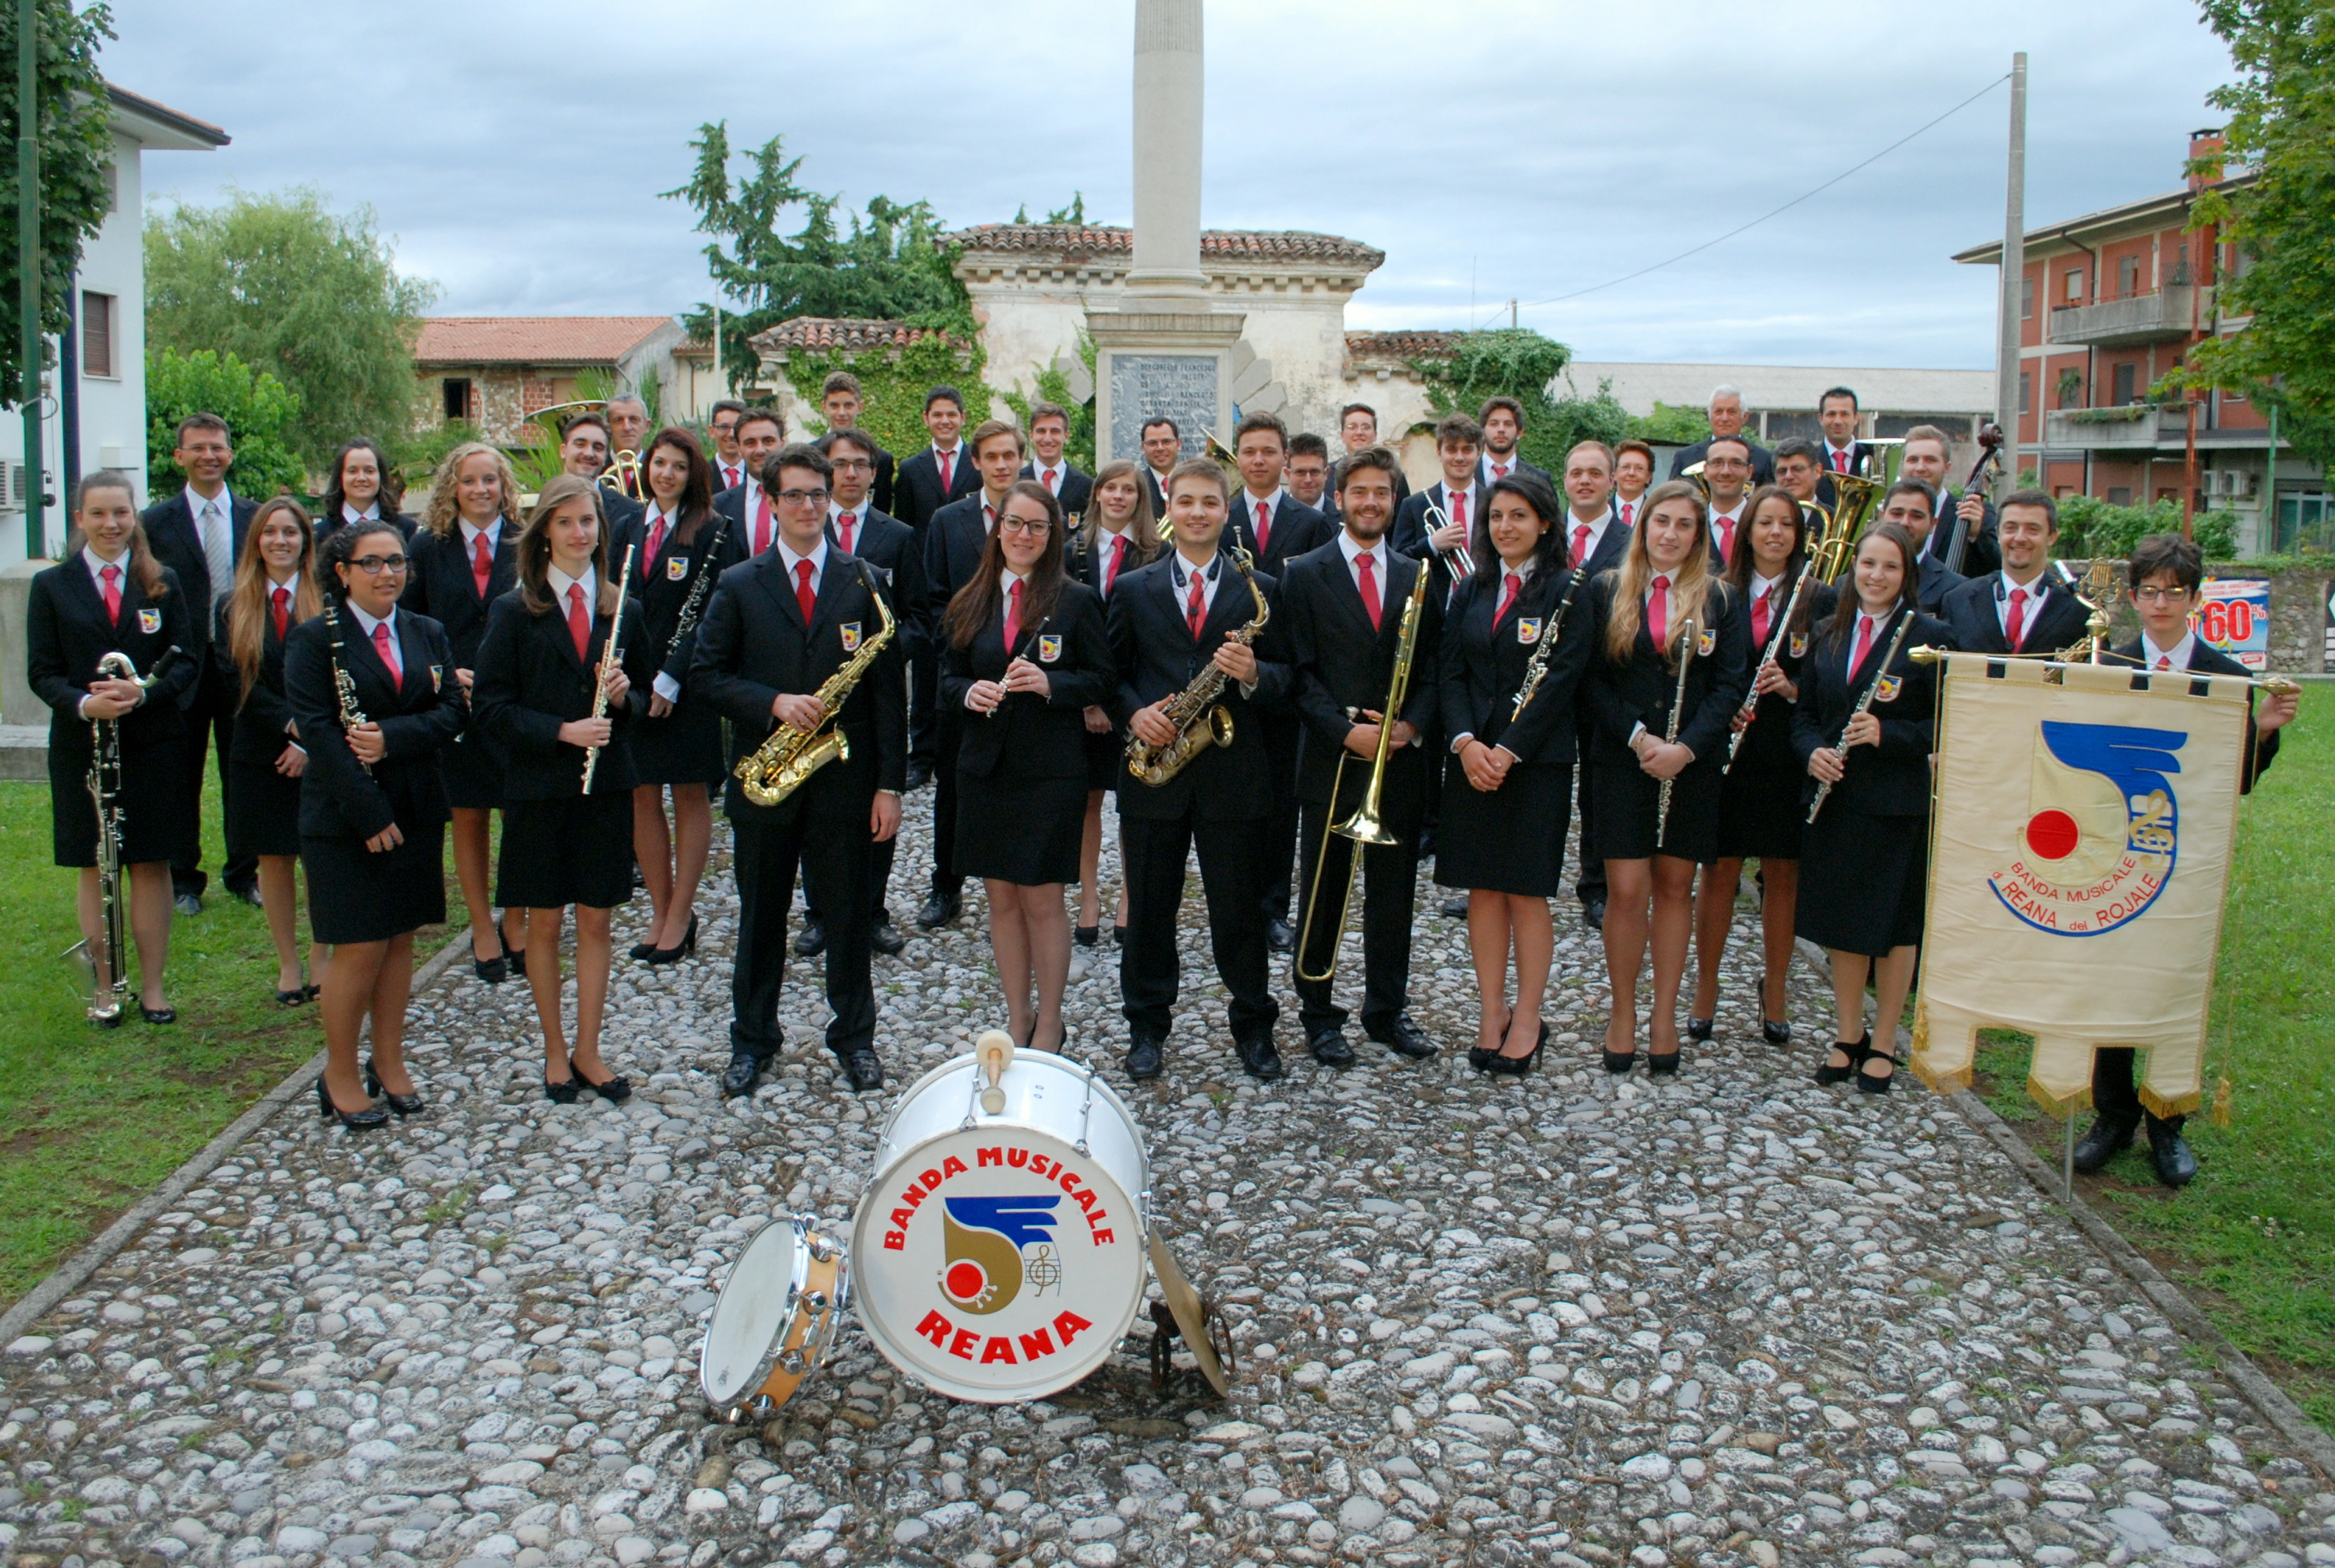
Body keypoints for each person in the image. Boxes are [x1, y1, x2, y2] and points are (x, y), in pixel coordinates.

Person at [2079, 533, 2298, 1186]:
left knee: (2173, 980)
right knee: (2115, 978)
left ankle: (2167, 1122)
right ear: (2131, 597)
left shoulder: (2227, 676)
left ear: (2195, 599)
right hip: (2117, 845)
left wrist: (2261, 732)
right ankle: (2112, 1114)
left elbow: (2238, 781)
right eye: (2149, 591)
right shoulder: (2107, 664)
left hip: (2188, 851)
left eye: (2174, 592)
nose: (2160, 604)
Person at [695, 442, 906, 1096]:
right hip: (767, 780)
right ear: (771, 502)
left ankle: (855, 1039)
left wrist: (889, 786)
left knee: (847, 917)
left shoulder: (864, 578)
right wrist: (773, 703)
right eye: (795, 495)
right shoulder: (739, 583)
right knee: (761, 918)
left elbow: (887, 695)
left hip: (844, 781)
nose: (809, 506)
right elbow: (705, 674)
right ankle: (752, 1040)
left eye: (818, 493)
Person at [1108, 457, 1289, 1082]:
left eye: (1209, 502)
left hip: (1232, 776)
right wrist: (1134, 714)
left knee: (1238, 911)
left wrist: (1256, 674)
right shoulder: (1132, 588)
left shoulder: (1261, 589)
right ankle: (1146, 1027)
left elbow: (1292, 678)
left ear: (1225, 510)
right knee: (1148, 911)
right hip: (1154, 772)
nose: (1197, 513)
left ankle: (1254, 1027)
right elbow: (1110, 674)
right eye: (1185, 501)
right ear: (1169, 509)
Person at [473, 475, 651, 1105]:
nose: (580, 533)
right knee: (545, 921)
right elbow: (490, 708)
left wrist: (624, 697)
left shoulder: (622, 608)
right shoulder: (514, 610)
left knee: (597, 918)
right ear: (544, 532)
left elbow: (645, 702)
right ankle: (554, 1049)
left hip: (605, 788)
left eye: (589, 522)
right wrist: (561, 731)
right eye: (567, 522)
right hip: (539, 788)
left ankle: (588, 1049)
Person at [286, 517, 467, 1128]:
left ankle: (388, 1061)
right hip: (347, 814)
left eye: (396, 561)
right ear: (342, 572)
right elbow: (318, 731)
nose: (387, 573)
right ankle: (338, 1071)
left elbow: (450, 712)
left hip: (415, 805)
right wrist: (368, 813)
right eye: (372, 563)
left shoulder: (427, 631)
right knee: (360, 945)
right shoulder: (314, 640)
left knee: (400, 940)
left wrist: (391, 737)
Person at [1584, 479, 1750, 1076]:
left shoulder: (1721, 599)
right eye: (1661, 522)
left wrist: (1686, 749)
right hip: (1622, 759)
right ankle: (1622, 1013)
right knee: (1626, 890)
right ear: (1644, 526)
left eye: (1684, 525)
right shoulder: (1607, 590)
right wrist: (1638, 737)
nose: (1671, 534)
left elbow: (1730, 684)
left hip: (1690, 765)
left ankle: (1663, 1017)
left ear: (1699, 536)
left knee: (1676, 888)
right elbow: (1590, 679)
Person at [944, 479, 1113, 1056]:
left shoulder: (1076, 600)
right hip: (985, 770)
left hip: (1050, 771)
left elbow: (1103, 679)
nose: (1024, 535)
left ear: (1052, 535)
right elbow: (946, 678)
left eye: (1037, 526)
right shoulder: (970, 598)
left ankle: (1050, 1022)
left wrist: (1051, 684)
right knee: (1001, 900)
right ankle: (1018, 1016)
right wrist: (967, 693)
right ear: (998, 529)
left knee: (1042, 899)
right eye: (1014, 523)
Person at [1284, 446, 1441, 1066]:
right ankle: (1318, 1013)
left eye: (1381, 492)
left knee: (1393, 896)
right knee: (1323, 893)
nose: (1370, 503)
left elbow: (1433, 666)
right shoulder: (1304, 573)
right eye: (1359, 492)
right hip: (1332, 759)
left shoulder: (1416, 574)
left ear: (1393, 501)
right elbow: (1297, 673)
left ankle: (1386, 1010)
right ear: (1339, 499)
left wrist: (1411, 725)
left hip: (1397, 762)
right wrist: (1340, 731)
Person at [30, 472, 202, 1023]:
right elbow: (42, 672)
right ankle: (105, 989)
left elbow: (187, 662)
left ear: (135, 518)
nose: (111, 524)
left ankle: (152, 987)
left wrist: (143, 693)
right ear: (79, 518)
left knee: (150, 862)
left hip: (153, 745)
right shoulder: (52, 586)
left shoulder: (163, 582)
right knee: (94, 863)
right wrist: (85, 704)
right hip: (82, 749)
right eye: (99, 514)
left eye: (121, 513)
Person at [1435, 475, 1593, 1074]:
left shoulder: (1569, 589)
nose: (1505, 527)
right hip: (1472, 762)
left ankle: (1527, 1018)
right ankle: (1490, 1011)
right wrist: (1465, 743)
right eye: (1496, 516)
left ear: (1545, 523)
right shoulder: (1470, 587)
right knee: (1482, 889)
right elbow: (1449, 671)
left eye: (1519, 516)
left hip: (1534, 764)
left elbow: (1563, 679)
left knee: (1525, 891)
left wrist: (1508, 750)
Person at [1792, 522, 1949, 1096]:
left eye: (1889, 566)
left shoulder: (1929, 637)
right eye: (1867, 564)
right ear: (1852, 568)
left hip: (1895, 804)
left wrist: (1890, 734)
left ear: (1906, 575)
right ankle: (1847, 1033)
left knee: (1894, 923)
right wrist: (1811, 752)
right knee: (1844, 922)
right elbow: (1804, 715)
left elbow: (1949, 722)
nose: (1875, 576)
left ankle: (1884, 1040)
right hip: (1835, 799)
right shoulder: (1828, 631)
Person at [1690, 486, 1820, 1047]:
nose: (1774, 533)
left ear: (1797, 535)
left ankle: (1777, 988)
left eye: (1785, 524)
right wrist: (1724, 706)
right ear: (1746, 531)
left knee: (1782, 873)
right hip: (1729, 748)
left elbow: (1831, 679)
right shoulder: (1719, 592)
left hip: (1785, 753)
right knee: (1718, 870)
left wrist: (1793, 688)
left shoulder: (1819, 597)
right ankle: (1705, 986)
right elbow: (1701, 669)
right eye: (1764, 522)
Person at [402, 440, 528, 982]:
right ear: (452, 487)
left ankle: (516, 919)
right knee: (469, 814)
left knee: (518, 812)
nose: (480, 490)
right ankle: (481, 927)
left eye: (490, 480)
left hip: (512, 701)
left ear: (504, 486)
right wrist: (443, 674)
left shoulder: (526, 541)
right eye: (469, 480)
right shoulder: (427, 546)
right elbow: (409, 624)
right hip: (454, 702)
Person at [800, 428, 926, 958]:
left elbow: (919, 616)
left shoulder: (899, 536)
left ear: (875, 473)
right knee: (814, 805)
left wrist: (885, 655)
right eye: (839, 464)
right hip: (816, 697)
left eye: (860, 464)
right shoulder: (805, 527)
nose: (850, 473)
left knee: (877, 799)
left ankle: (872, 911)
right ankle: (819, 914)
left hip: (875, 694)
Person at [629, 426, 743, 966]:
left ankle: (680, 913)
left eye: (678, 465)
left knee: (689, 793)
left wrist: (671, 677)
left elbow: (713, 614)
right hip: (633, 683)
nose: (666, 474)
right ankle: (659, 909)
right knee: (641, 794)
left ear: (692, 472)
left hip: (687, 682)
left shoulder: (714, 530)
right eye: (659, 463)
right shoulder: (627, 526)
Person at [141, 412, 260, 914]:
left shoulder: (256, 518)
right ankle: (184, 881)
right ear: (180, 457)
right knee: (180, 776)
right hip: (182, 666)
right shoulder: (154, 523)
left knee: (243, 773)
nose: (209, 456)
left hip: (241, 661)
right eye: (198, 448)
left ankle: (245, 874)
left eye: (217, 447)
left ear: (229, 454)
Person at [1223, 411, 1332, 947]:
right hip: (1227, 676)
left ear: (1285, 459)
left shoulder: (1311, 522)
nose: (1259, 460)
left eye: (1269, 451)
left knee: (1280, 805)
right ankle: (1233, 904)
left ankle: (1272, 909)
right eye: (1249, 451)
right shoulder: (1218, 515)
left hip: (1286, 678)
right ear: (1237, 458)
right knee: (1230, 803)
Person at [217, 496, 330, 1006]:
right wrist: (288, 725)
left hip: (320, 748)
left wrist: (307, 738)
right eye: (270, 532)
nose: (280, 541)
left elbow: (336, 676)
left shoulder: (328, 600)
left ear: (305, 541)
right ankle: (288, 962)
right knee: (274, 858)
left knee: (320, 854)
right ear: (256, 541)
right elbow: (232, 680)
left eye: (290, 531)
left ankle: (322, 953)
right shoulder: (232, 605)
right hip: (258, 749)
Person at [919, 418, 1029, 930]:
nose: (1002, 464)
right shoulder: (948, 521)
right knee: (953, 787)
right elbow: (933, 597)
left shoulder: (1042, 516)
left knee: (1021, 785)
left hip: (1025, 676)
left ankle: (1018, 885)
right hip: (963, 677)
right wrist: (964, 654)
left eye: (1009, 455)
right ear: (976, 462)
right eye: (992, 456)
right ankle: (947, 886)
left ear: (1021, 459)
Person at [1066, 459, 1157, 946]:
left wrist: (1119, 703)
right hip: (1084, 695)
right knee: (1086, 799)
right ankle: (1088, 897)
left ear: (1140, 500)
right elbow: (1062, 623)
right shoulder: (1071, 551)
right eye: (1111, 488)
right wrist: (1088, 701)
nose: (1119, 497)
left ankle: (1128, 896)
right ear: (1097, 494)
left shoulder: (1156, 553)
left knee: (1132, 801)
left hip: (1134, 697)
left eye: (1129, 490)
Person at [1559, 440, 1632, 930]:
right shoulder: (1544, 532)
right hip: (1551, 679)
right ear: (1565, 480)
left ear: (1612, 481)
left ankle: (1597, 886)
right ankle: (1508, 879)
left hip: (1607, 678)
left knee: (1599, 788)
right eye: (1576, 473)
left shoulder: (1633, 540)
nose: (1584, 481)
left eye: (1594, 473)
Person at [894, 386, 980, 788]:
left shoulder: (978, 464)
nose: (945, 421)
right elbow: (906, 529)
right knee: (927, 673)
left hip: (970, 577)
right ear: (926, 419)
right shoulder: (911, 470)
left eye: (952, 414)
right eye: (938, 414)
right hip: (929, 579)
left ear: (963, 417)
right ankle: (922, 756)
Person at [1939, 490, 2091, 657]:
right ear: (1998, 534)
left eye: (2032, 529)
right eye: (2011, 528)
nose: (2019, 538)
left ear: (2052, 537)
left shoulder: (2080, 607)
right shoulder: (1958, 600)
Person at [1900, 424, 2000, 576]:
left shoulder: (1976, 513)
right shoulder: (1891, 513)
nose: (1920, 468)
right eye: (1913, 460)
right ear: (1903, 465)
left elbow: (1998, 569)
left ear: (1947, 467)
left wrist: (1976, 536)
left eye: (1930, 460)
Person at [1875, 477, 1965, 612]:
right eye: (1897, 514)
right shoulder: (1850, 581)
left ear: (1933, 524)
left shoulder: (1955, 588)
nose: (1904, 523)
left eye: (1916, 516)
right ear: (1882, 516)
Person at [559, 410, 644, 546]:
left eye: (598, 448)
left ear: (605, 457)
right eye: (580, 444)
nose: (589, 453)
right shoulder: (544, 504)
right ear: (563, 451)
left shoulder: (632, 513)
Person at [820, 372, 896, 515]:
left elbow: (882, 514)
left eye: (848, 405)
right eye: (834, 405)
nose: (842, 413)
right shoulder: (810, 455)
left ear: (860, 407)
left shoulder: (882, 460)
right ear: (824, 407)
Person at [711, 409, 786, 554]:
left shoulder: (805, 501)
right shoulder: (718, 507)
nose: (760, 450)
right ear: (739, 449)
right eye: (750, 443)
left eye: (768, 441)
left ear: (782, 443)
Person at [1666, 385, 1775, 485]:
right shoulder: (1685, 458)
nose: (1724, 418)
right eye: (1718, 412)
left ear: (1745, 417)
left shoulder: (1764, 459)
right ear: (1709, 416)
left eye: (1732, 412)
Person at [316, 438, 417, 544]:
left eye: (369, 471)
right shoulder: (319, 534)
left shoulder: (406, 529)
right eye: (352, 471)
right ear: (340, 477)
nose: (361, 478)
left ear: (381, 476)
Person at [1330, 404, 1412, 511]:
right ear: (1342, 435)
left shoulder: (1395, 475)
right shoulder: (1326, 474)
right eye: (1352, 427)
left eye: (1366, 427)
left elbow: (1402, 517)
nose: (1359, 432)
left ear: (1375, 435)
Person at [1021, 400, 1092, 515]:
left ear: (1066, 436)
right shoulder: (1016, 482)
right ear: (1031, 436)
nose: (1048, 439)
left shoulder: (1086, 486)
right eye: (1041, 431)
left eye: (1055, 431)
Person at [1698, 435, 1754, 569]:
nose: (1726, 471)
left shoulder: (1762, 522)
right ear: (1705, 470)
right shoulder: (1692, 524)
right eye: (1717, 463)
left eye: (1736, 463)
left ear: (1749, 472)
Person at [1477, 396, 1549, 488]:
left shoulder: (1539, 480)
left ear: (1520, 432)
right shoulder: (1464, 475)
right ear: (1482, 432)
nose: (1501, 429)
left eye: (1508, 424)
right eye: (1494, 424)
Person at [1817, 386, 1874, 477]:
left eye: (1844, 414)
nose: (1838, 421)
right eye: (1831, 414)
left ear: (1856, 418)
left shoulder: (1873, 459)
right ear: (1821, 419)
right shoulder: (1809, 460)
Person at [1771, 438, 1827, 517]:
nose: (1789, 476)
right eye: (1782, 471)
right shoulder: (1760, 517)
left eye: (1798, 469)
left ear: (1817, 471)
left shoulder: (1834, 518)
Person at [1138, 416, 1183, 517]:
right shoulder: (1137, 485)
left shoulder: (1193, 483)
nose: (1160, 448)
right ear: (1143, 447)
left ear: (1179, 444)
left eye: (1166, 441)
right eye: (1152, 443)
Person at [1612, 440, 1656, 532]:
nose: (1631, 473)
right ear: (1614, 473)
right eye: (1625, 467)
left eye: (1639, 468)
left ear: (1649, 477)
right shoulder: (1599, 511)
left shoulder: (1655, 512)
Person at [709, 399, 750, 493]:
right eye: (724, 427)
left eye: (738, 427)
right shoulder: (700, 476)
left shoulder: (759, 475)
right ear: (712, 431)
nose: (732, 434)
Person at [1287, 433, 1333, 513]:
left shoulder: (1345, 517)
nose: (1308, 480)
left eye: (1314, 472)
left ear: (1326, 473)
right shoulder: (1273, 515)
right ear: (1287, 474)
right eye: (1301, 472)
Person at [607, 393, 652, 463]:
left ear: (647, 426)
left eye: (634, 419)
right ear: (608, 427)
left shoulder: (657, 467)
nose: (627, 428)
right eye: (618, 420)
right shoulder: (596, 467)